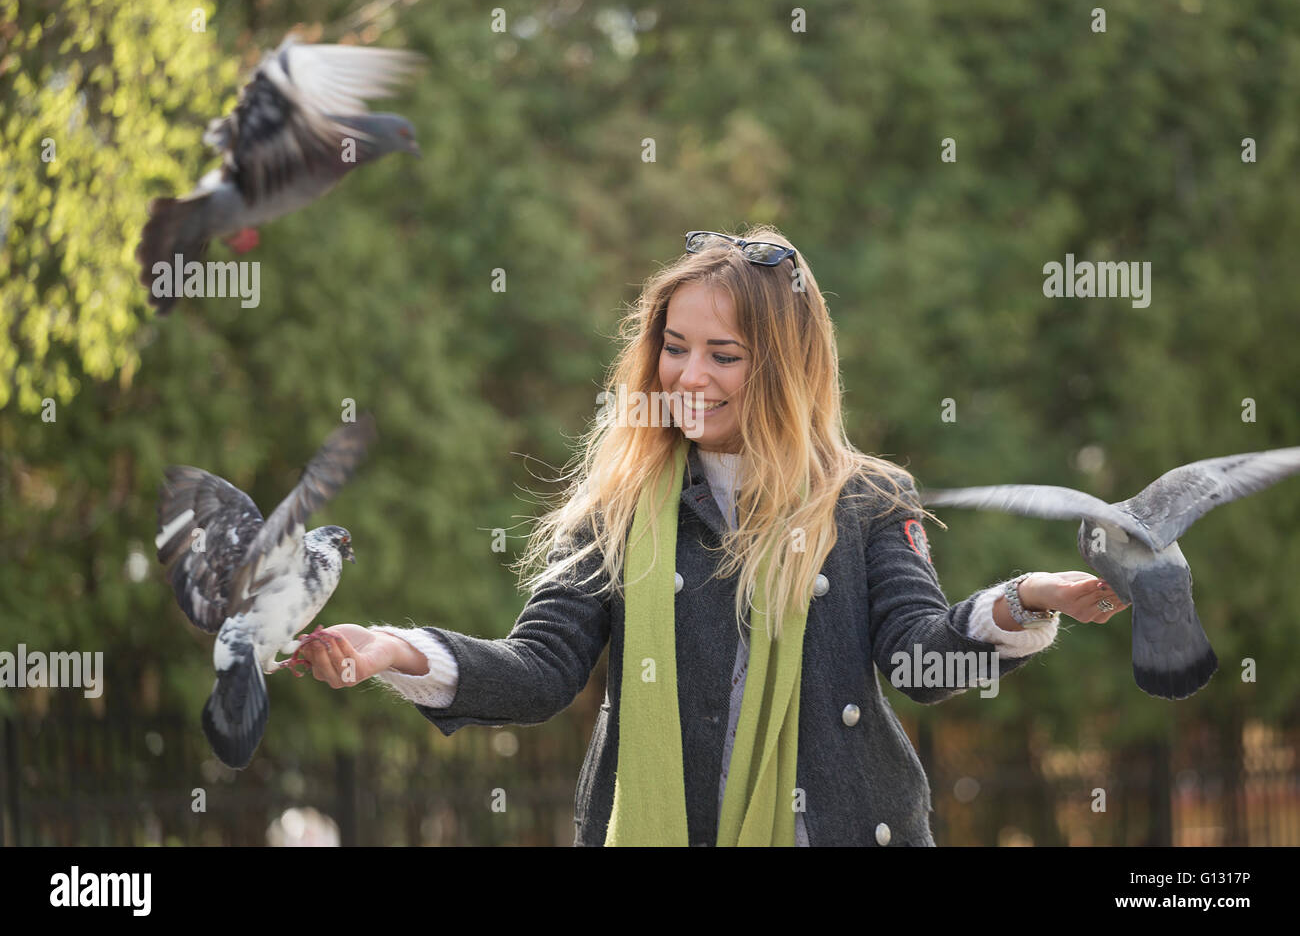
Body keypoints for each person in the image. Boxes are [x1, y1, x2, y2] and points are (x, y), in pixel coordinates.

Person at [296, 225, 1128, 846]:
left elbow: (917, 657)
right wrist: (393, 650)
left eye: (724, 355)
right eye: (675, 347)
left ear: (785, 366)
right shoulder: (617, 508)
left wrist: (1025, 601)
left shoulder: (868, 498)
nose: (689, 377)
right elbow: (539, 672)